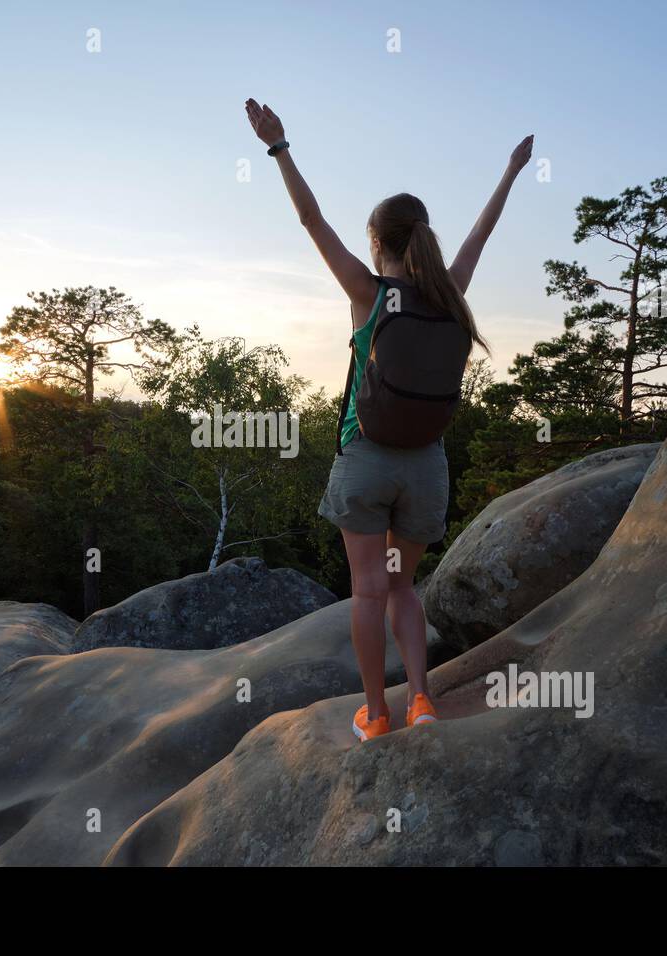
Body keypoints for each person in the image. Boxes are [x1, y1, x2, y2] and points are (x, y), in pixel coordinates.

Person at [244, 97, 532, 741]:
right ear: (424, 238)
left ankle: (376, 714)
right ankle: (422, 700)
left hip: (366, 461)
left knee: (368, 591)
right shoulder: (450, 291)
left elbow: (310, 218)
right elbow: (481, 235)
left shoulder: (369, 292)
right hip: (425, 467)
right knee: (403, 587)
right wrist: (510, 172)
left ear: (376, 243)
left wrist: (279, 147)